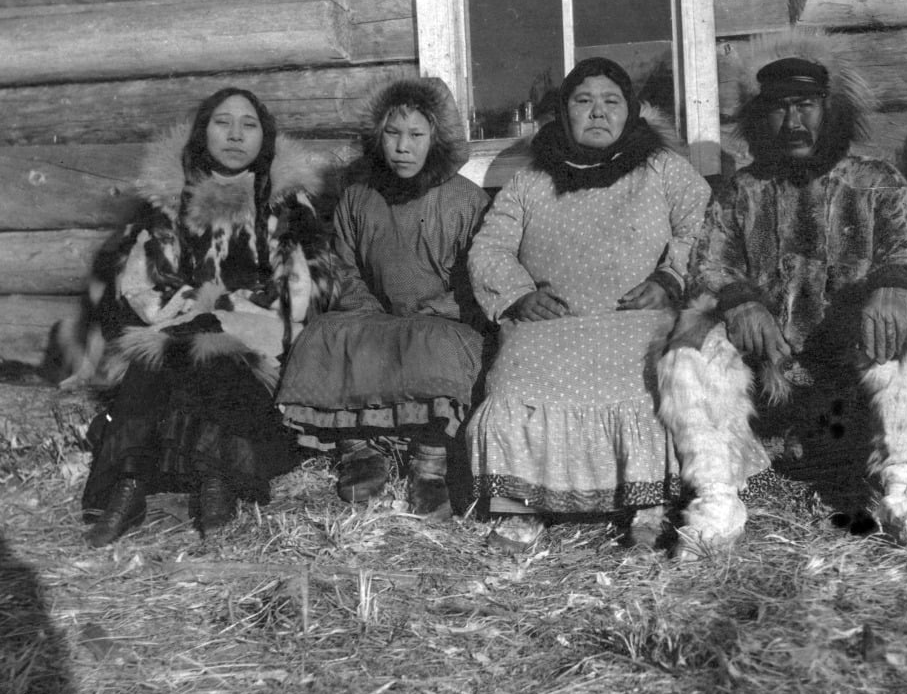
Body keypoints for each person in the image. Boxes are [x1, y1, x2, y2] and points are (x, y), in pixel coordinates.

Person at [676, 27, 907, 551]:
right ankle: (717, 500)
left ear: (830, 110)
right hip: (769, 363)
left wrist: (892, 287)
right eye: (780, 108)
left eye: (807, 105)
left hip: (855, 357)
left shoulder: (877, 179)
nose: (794, 122)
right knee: (687, 343)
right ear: (760, 118)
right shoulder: (740, 191)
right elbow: (709, 268)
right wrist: (741, 302)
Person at [467, 56, 735, 554]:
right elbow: (490, 247)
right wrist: (520, 295)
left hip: (640, 318)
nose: (597, 113)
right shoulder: (531, 180)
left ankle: (649, 503)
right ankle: (523, 508)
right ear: (563, 113)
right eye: (583, 101)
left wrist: (670, 278)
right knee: (514, 378)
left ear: (629, 113)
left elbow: (703, 223)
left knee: (652, 381)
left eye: (611, 102)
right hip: (552, 324)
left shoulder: (662, 169)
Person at [80, 87, 338, 547]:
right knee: (175, 350)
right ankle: (129, 486)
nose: (235, 135)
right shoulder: (167, 201)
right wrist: (192, 313)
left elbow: (301, 292)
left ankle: (215, 478)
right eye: (223, 122)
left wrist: (225, 314)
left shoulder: (286, 207)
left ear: (265, 137)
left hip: (258, 343)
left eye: (249, 124)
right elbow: (139, 282)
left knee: (213, 347)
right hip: (175, 331)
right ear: (203, 132)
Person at [275, 77, 490, 513]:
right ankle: (360, 452)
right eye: (393, 133)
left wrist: (438, 309)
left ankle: (430, 463)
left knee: (434, 347)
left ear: (438, 139)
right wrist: (364, 308)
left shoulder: (467, 202)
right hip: (375, 313)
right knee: (328, 336)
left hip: (443, 318)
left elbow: (479, 276)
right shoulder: (360, 197)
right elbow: (346, 264)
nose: (402, 147)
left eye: (416, 135)